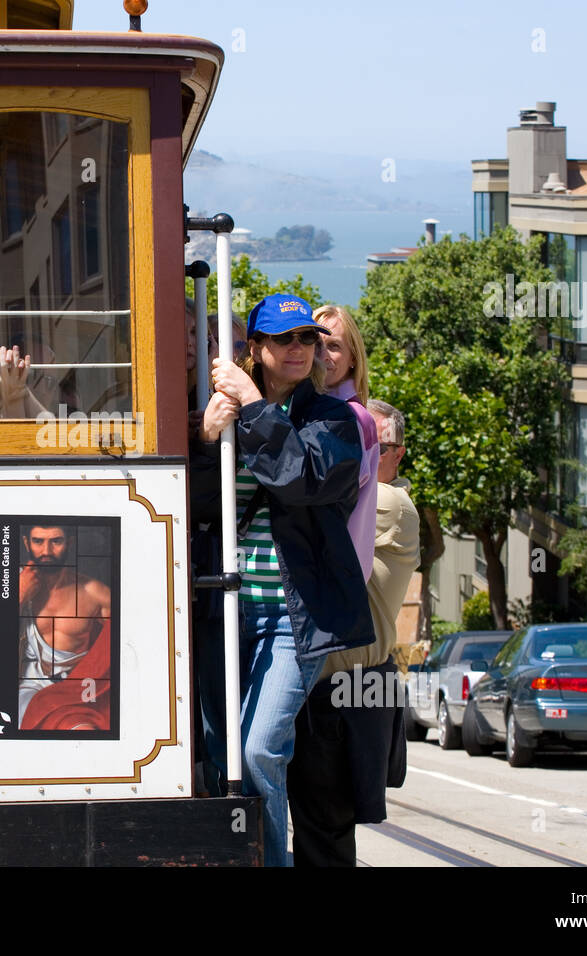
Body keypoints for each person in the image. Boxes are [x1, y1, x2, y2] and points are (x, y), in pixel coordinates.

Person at [194, 292, 375, 867]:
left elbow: (300, 478)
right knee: (224, 754)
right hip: (223, 610)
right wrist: (204, 440)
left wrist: (251, 405)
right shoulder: (222, 414)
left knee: (261, 747)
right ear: (257, 347)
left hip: (294, 619)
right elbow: (193, 506)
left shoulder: (335, 420)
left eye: (308, 339)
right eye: (283, 338)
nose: (299, 349)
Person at [287, 398, 419, 866]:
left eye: (374, 444)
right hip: (328, 688)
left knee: (325, 836)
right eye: (354, 441)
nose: (362, 453)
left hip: (343, 693)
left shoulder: (391, 503)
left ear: (397, 454)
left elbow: (314, 508)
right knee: (316, 829)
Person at [17, 524, 113, 731]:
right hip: (29, 686)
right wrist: (20, 595)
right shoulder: (12, 585)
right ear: (26, 543)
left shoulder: (93, 592)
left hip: (76, 690)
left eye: (56, 541)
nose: (46, 551)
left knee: (85, 731)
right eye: (38, 541)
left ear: (69, 542)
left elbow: (129, 635)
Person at [313, 304, 379, 583]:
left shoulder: (353, 418)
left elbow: (355, 518)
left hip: (330, 579)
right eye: (315, 343)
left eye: (334, 346)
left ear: (353, 358)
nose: (323, 355)